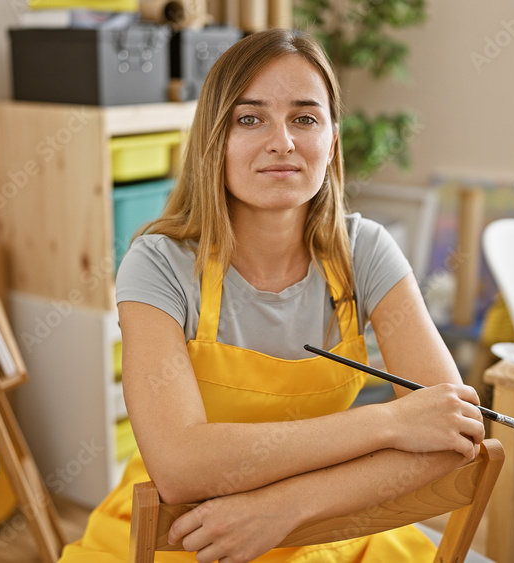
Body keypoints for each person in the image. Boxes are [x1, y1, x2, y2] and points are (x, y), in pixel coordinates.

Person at [59, 28, 485, 563]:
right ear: (214, 140)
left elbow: (454, 434)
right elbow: (180, 467)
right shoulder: (159, 265)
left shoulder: (365, 252)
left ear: (331, 143)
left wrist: (286, 507)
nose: (282, 141)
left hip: (326, 529)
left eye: (304, 118)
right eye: (249, 118)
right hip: (189, 535)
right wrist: (391, 423)